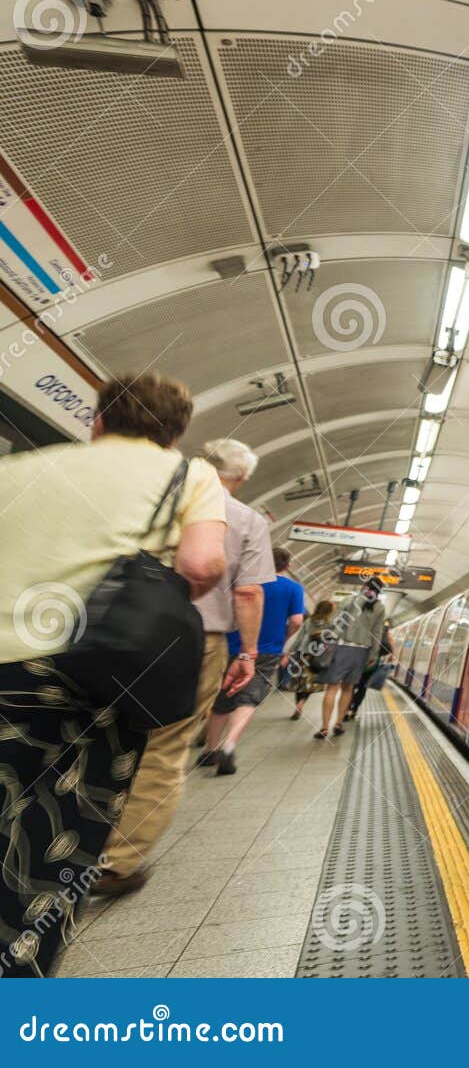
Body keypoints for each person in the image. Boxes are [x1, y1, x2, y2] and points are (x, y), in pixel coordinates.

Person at [0, 373, 226, 976]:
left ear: (96, 421)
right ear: (175, 434)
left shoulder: (22, 467)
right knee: (53, 834)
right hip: (87, 675)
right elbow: (203, 562)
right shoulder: (189, 474)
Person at [97, 438, 274, 894]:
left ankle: (63, 837)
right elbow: (249, 593)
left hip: (107, 629)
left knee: (98, 729)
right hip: (197, 641)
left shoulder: (145, 490)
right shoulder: (247, 520)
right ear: (243, 478)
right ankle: (116, 862)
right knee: (164, 746)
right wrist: (248, 653)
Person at [201, 547, 304, 775]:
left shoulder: (242, 580)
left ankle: (210, 750)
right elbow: (297, 621)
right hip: (266, 652)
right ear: (286, 566)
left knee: (222, 699)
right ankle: (229, 746)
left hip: (231, 646)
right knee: (248, 700)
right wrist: (283, 639)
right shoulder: (293, 588)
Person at [316, 579, 387, 740]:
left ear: (364, 587)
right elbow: (377, 633)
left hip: (341, 648)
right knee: (348, 689)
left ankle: (324, 728)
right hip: (361, 652)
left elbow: (334, 623)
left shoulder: (350, 600)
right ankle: (339, 724)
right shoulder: (379, 608)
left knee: (332, 688)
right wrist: (373, 655)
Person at [285, 599, 336, 719]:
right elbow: (332, 641)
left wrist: (290, 651)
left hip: (302, 654)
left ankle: (297, 705)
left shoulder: (308, 621)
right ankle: (302, 702)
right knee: (311, 682)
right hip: (317, 656)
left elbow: (299, 638)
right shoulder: (330, 624)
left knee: (299, 682)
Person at [344, 619, 395, 722]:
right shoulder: (383, 627)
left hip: (356, 660)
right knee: (363, 688)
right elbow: (390, 640)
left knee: (351, 686)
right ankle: (354, 710)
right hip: (372, 661)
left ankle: (347, 710)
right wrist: (393, 655)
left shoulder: (360, 623)